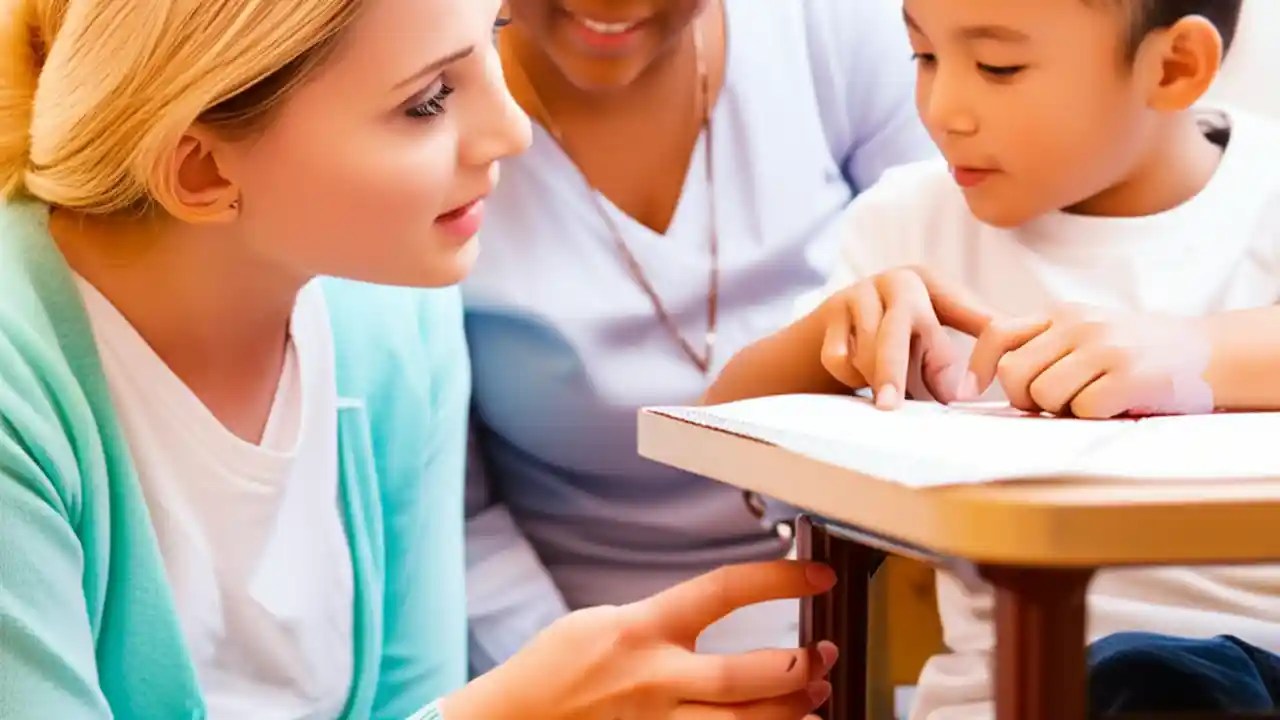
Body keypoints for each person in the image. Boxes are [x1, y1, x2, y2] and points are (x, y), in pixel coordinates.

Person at [0, 0, 841, 718]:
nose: (512, 130)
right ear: (200, 169)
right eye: (430, 99)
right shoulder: (23, 394)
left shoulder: (393, 321)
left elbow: (412, 694)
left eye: (495, 32)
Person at [704, 0, 1280, 717]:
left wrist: (1197, 353)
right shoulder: (910, 224)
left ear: (1173, 67)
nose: (943, 109)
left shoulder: (1265, 198)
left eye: (998, 67)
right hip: (1008, 689)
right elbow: (718, 431)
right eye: (924, 56)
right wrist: (827, 341)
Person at [462, 0, 935, 671]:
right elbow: (446, 515)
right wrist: (590, 688)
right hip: (564, 651)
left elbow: (960, 287)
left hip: (868, 621)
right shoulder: (429, 100)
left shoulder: (837, 29)